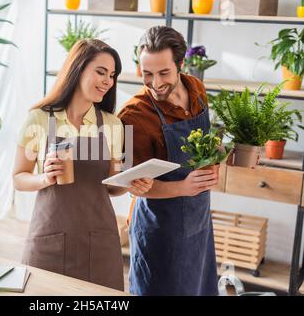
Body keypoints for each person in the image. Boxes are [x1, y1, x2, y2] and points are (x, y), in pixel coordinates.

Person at [13, 39, 153, 290]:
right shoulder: (40, 118)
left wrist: (131, 184)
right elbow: (19, 177)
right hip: (49, 237)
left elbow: (113, 186)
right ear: (78, 68)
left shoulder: (113, 124)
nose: (108, 81)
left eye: (112, 75)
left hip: (99, 241)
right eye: (100, 72)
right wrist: (44, 178)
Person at [118, 26, 219, 296]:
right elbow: (132, 184)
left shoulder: (196, 87)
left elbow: (205, 143)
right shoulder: (133, 115)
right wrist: (183, 187)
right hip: (159, 230)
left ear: (181, 64)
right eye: (147, 73)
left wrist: (215, 157)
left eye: (164, 73)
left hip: (199, 221)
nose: (155, 83)